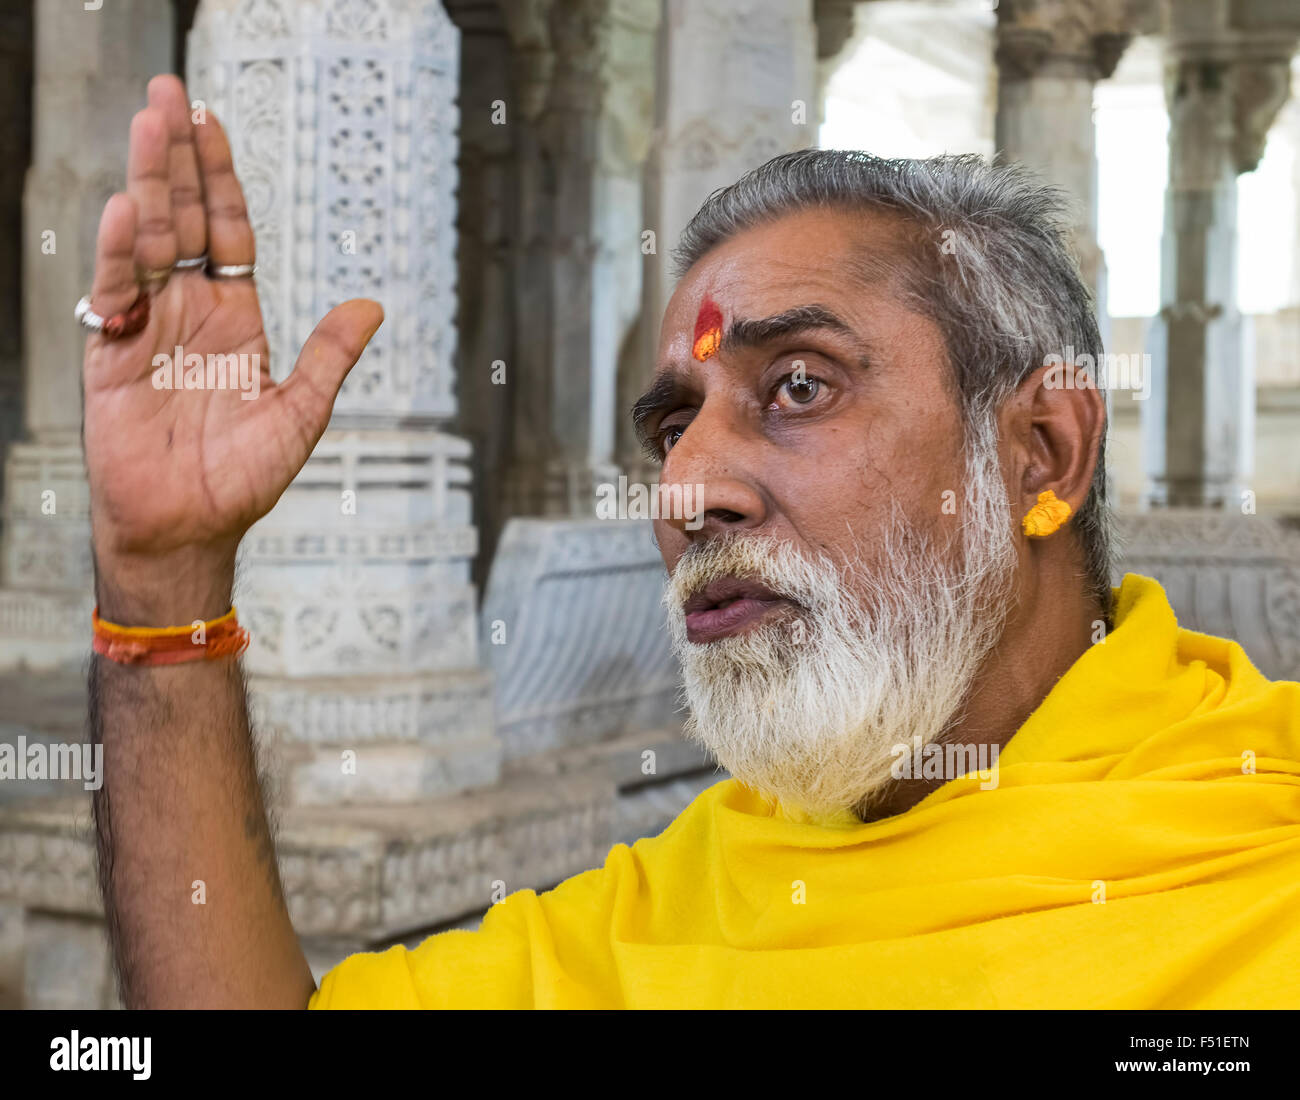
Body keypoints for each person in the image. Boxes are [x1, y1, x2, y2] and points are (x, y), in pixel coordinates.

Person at [83, 76, 1300, 1009]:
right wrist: (164, 577)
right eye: (673, 423)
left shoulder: (1257, 871)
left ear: (1040, 450)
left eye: (801, 387)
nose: (685, 489)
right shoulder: (675, 902)